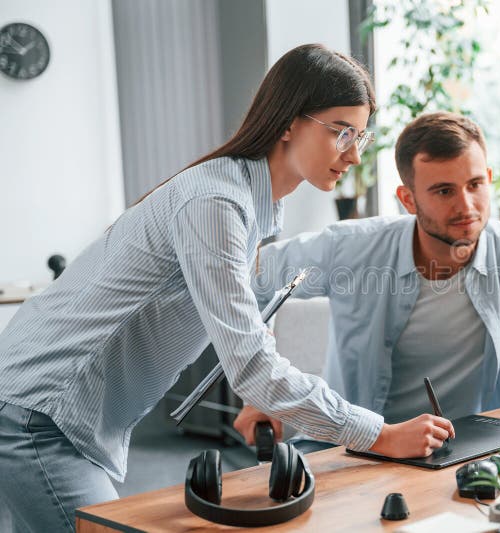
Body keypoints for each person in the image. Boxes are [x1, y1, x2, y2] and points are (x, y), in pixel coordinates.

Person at [0, 44, 453, 533]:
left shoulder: (245, 200)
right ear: (288, 122)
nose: (354, 154)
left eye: (361, 136)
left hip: (53, 411)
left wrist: (268, 391)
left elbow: (241, 311)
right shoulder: (216, 201)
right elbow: (252, 365)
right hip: (38, 412)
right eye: (342, 132)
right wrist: (378, 434)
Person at [233, 111, 500, 451]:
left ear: (489, 179)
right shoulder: (349, 248)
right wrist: (262, 386)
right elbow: (241, 278)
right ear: (408, 199)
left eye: (474, 184)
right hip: (348, 450)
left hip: (470, 451)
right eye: (444, 191)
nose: (466, 206)